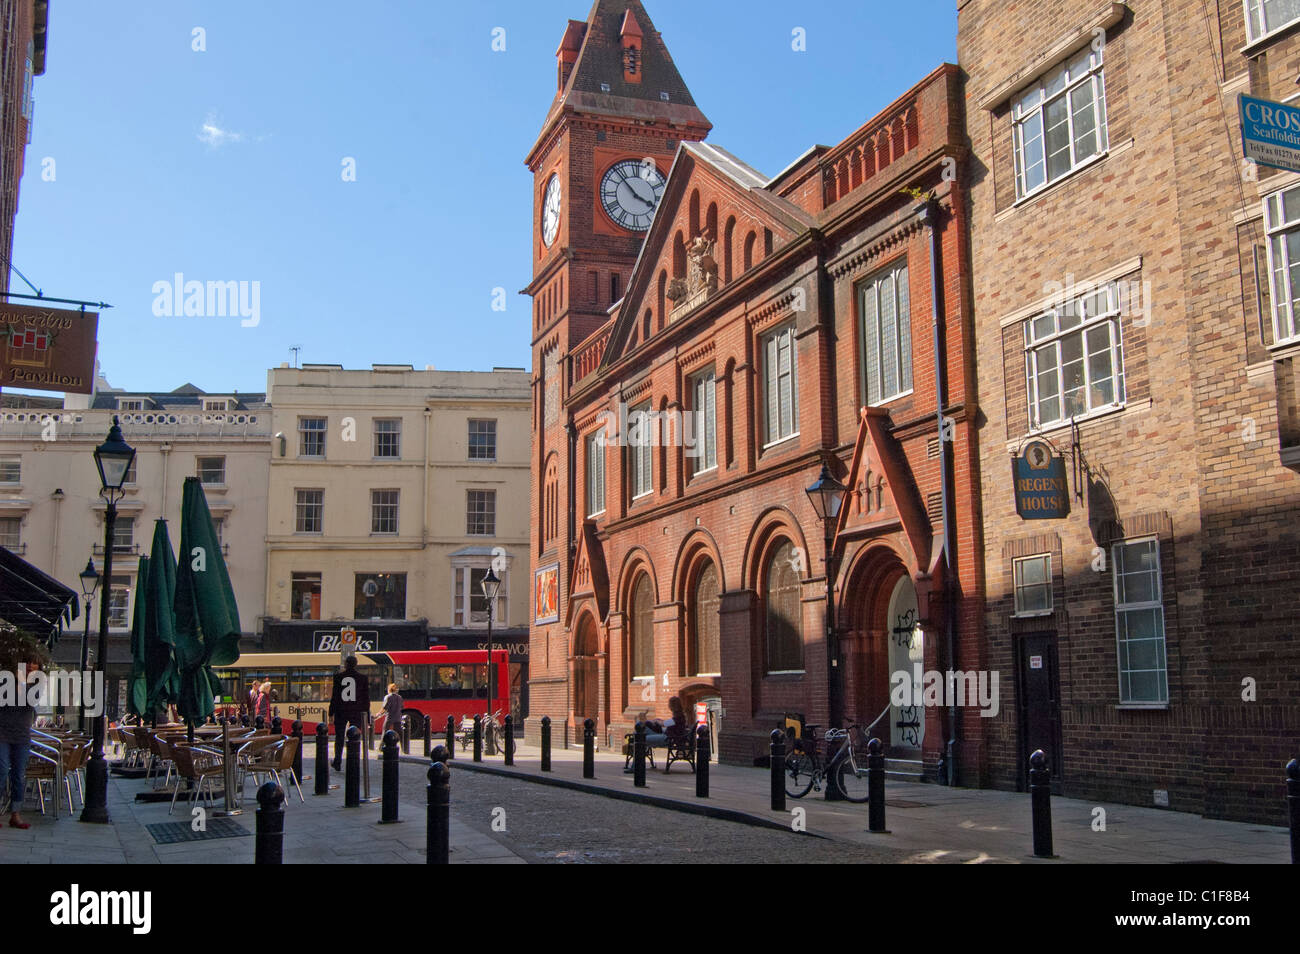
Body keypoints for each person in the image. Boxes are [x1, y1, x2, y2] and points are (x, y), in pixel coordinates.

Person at [0, 659, 39, 829]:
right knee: (1, 771)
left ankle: (15, 814)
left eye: (35, 663)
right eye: (27, 662)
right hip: (2, 734)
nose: (31, 666)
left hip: (22, 737)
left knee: (18, 775)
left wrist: (23, 682)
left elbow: (30, 702)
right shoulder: (4, 681)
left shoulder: (36, 685)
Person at [328, 655, 370, 769]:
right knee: (354, 736)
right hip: (356, 711)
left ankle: (337, 761)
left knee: (339, 737)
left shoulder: (338, 677)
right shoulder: (363, 678)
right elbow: (366, 698)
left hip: (341, 710)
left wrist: (331, 712)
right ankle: (353, 760)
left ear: (346, 664)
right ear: (356, 664)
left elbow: (335, 696)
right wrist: (367, 716)